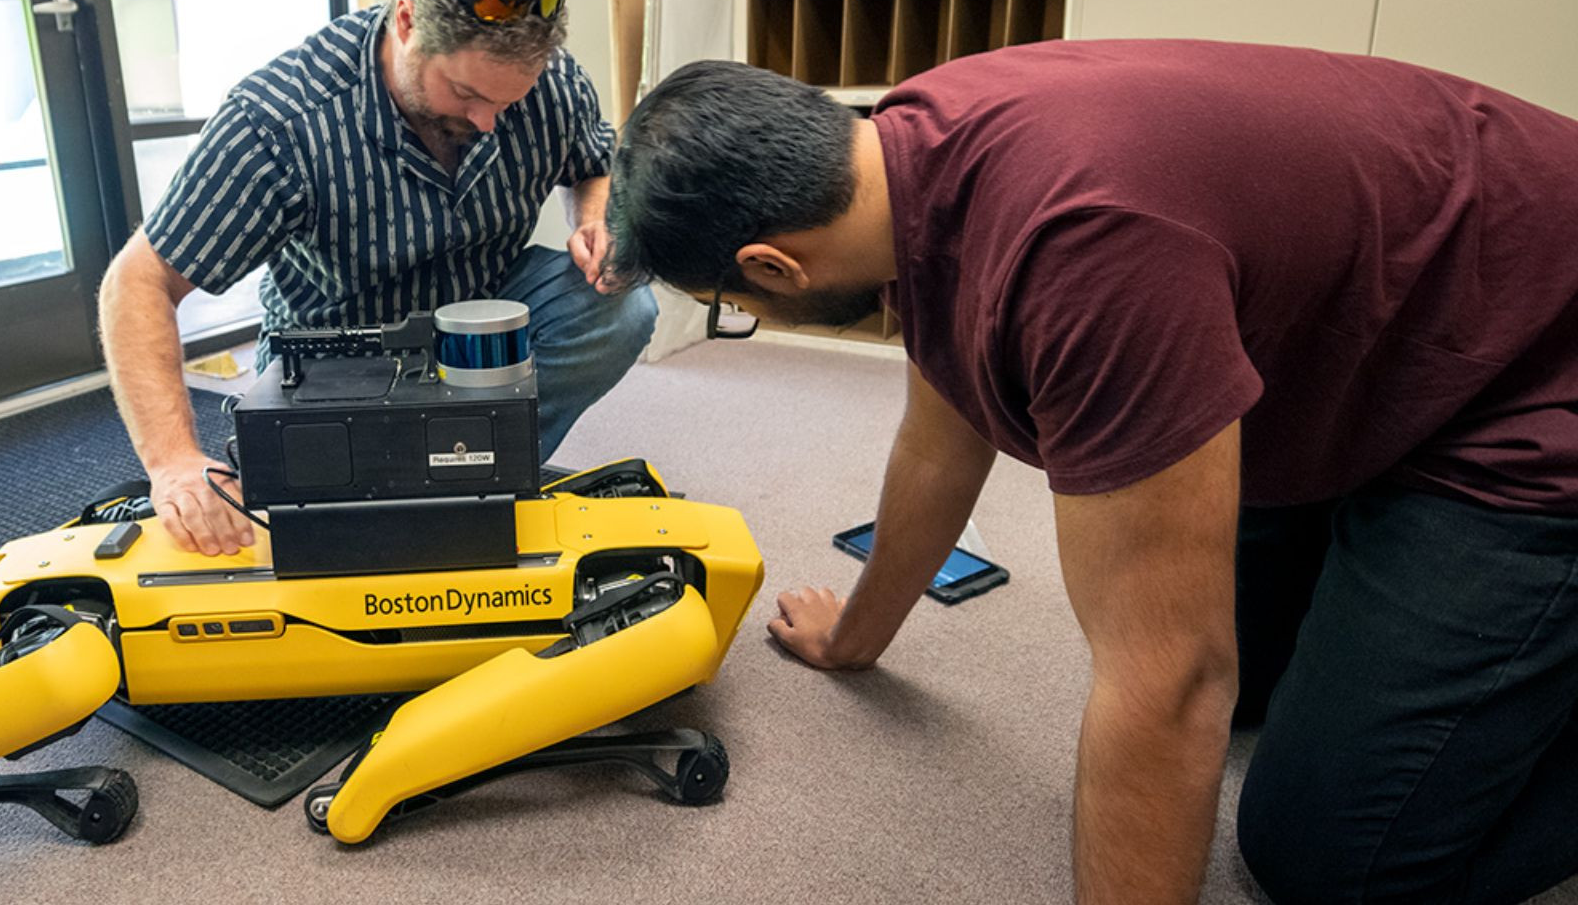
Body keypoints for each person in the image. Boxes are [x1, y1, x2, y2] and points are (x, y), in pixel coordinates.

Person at [601, 44, 1578, 904]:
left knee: (1328, 860)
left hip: (1528, 370)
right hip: (1400, 339)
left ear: (773, 269)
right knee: (1252, 694)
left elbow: (1172, 679)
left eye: (733, 308)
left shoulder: (1082, 259)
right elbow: (940, 443)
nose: (751, 323)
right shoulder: (910, 154)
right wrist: (854, 640)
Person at [100, 0, 656, 558]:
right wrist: (173, 461)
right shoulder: (281, 122)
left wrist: (596, 218)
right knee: (326, 525)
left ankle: (487, 472)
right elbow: (137, 281)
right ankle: (415, 476)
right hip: (338, 351)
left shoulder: (549, 84)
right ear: (406, 20)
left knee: (621, 305)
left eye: (509, 101)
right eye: (466, 93)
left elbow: (595, 167)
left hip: (479, 320)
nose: (487, 122)